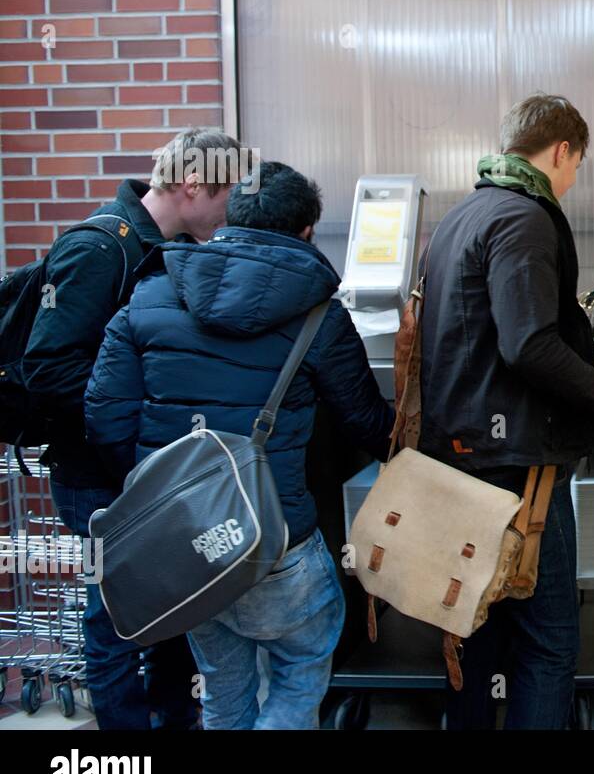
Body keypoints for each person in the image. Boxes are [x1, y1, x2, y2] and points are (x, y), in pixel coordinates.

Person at [84, 161, 395, 730]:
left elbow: (105, 416)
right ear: (306, 232)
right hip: (275, 538)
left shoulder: (151, 292)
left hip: (185, 539)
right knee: (301, 670)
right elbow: (369, 424)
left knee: (225, 689)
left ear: (230, 216)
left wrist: (167, 486)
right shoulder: (320, 314)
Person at [419, 93, 594, 730]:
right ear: (562, 150)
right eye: (576, 167)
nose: (571, 182)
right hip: (516, 471)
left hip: (461, 457)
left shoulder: (465, 214)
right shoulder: (524, 217)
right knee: (547, 641)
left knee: (474, 626)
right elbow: (529, 344)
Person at [23, 126, 245, 730]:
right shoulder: (99, 249)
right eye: (229, 195)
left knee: (171, 604)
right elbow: (49, 367)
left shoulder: (172, 251)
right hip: (98, 473)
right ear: (196, 185)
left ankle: (175, 719)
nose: (233, 211)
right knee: (113, 616)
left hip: (144, 467)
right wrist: (130, 423)